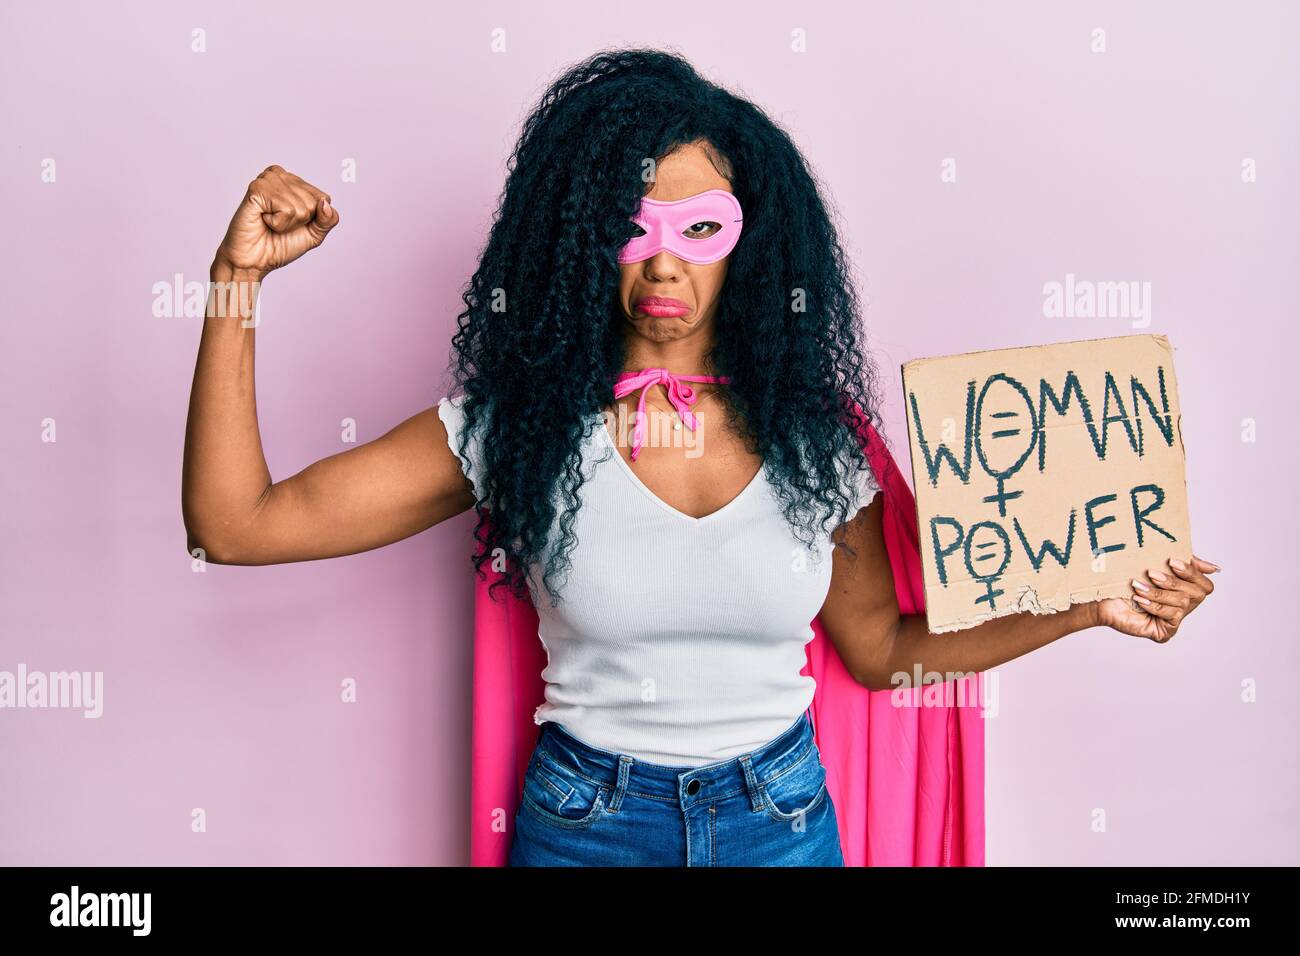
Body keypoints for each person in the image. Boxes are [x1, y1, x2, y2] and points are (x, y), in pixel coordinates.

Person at [181, 48, 1219, 866]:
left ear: (753, 243)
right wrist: (236, 281)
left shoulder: (818, 440)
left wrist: (1085, 603)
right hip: (584, 824)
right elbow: (234, 525)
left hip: (781, 820)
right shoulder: (516, 431)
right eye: (631, 225)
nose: (665, 258)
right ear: (582, 240)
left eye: (701, 226)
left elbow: (880, 650)